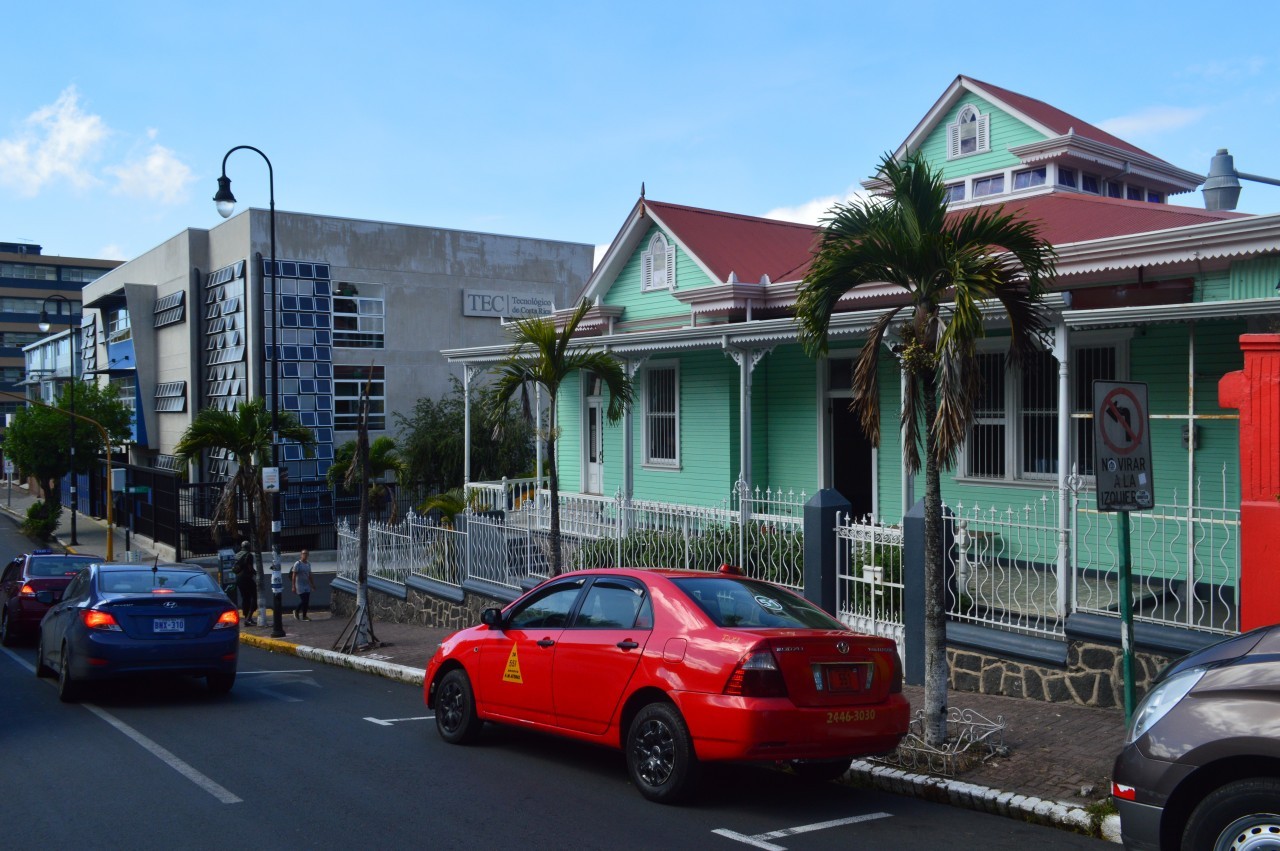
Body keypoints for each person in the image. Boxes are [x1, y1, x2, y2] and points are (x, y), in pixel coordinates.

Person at [233, 540, 257, 624]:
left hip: (238, 578)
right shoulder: (249, 555)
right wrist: (256, 573)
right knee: (255, 596)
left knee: (245, 598)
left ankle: (246, 617)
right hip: (246, 577)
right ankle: (249, 618)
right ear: (248, 547)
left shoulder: (237, 555)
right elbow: (250, 567)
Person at [292, 549, 314, 620]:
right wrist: (293, 586)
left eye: (307, 554)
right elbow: (294, 575)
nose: (305, 555)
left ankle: (304, 615)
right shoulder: (297, 564)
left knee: (306, 601)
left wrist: (312, 584)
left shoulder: (308, 564)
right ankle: (296, 610)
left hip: (306, 584)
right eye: (304, 554)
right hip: (299, 584)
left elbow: (310, 575)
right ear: (301, 555)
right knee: (303, 600)